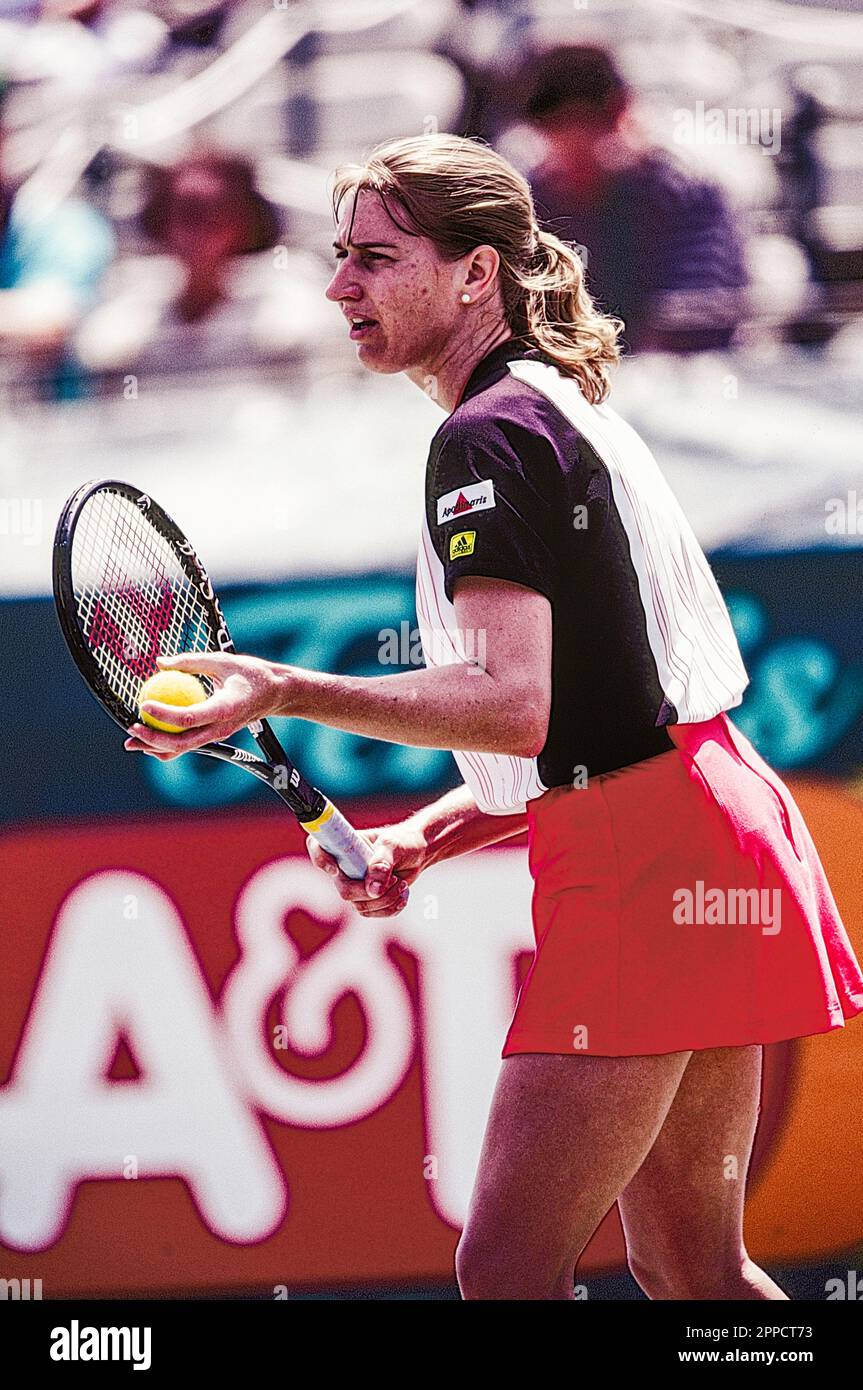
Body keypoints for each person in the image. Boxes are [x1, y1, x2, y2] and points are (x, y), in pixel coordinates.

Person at [123, 132, 863, 1301]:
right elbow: (604, 711)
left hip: (644, 854)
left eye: (375, 258)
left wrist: (282, 687)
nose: (339, 287)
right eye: (337, 256)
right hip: (710, 818)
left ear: (475, 274)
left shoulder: (486, 436)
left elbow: (516, 708)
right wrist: (430, 833)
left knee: (509, 1270)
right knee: (696, 1269)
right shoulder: (552, 405)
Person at [517, 45, 749, 352]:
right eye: (557, 125)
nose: (576, 143)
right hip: (569, 365)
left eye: (591, 122)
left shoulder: (680, 192)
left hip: (677, 372)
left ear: (623, 111)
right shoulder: (535, 200)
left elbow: (695, 317)